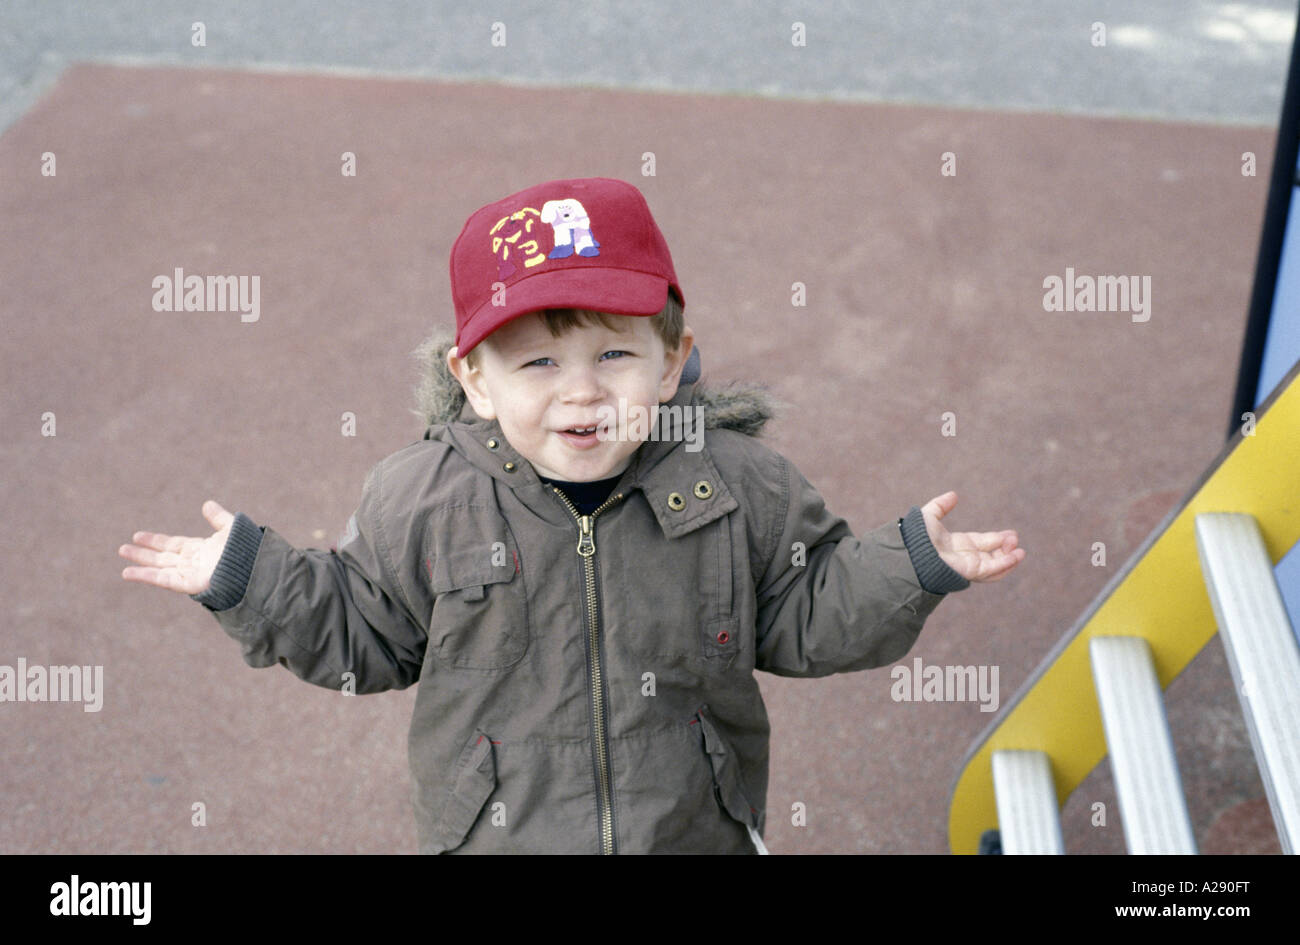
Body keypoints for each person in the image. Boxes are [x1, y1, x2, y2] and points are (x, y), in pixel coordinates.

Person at [119, 177, 1025, 854]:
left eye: (615, 352)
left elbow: (804, 614)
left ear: (672, 363)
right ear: (471, 379)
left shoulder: (739, 485)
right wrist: (252, 578)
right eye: (537, 365)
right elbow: (366, 633)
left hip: (692, 828)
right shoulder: (423, 497)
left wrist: (908, 564)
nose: (582, 391)